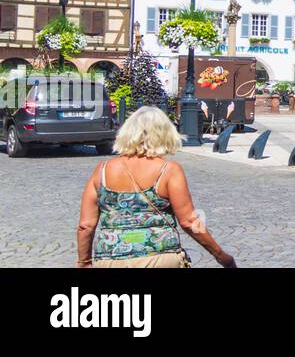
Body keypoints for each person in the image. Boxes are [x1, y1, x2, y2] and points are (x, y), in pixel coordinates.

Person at [77, 106, 236, 268]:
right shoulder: (169, 171)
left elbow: (86, 225)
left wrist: (84, 262)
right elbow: (189, 221)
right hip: (160, 259)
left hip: (111, 260)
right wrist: (221, 256)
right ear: (164, 134)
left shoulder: (102, 171)